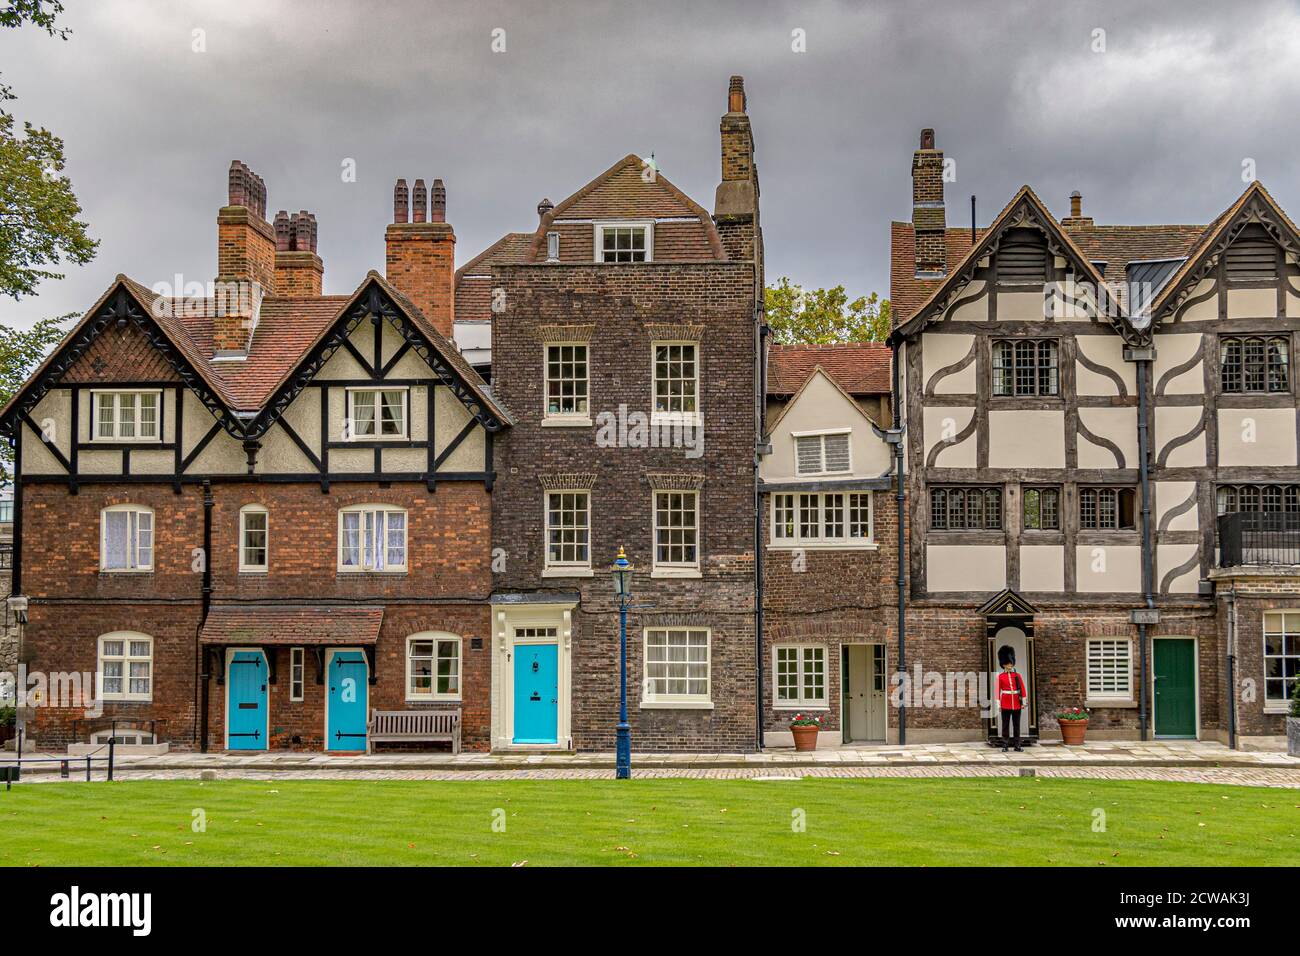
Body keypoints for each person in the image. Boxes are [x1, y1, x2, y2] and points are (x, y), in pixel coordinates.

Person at [996, 645, 1026, 752]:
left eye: (1010, 663)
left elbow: (1022, 689)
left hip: (1016, 703)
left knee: (1016, 726)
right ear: (1003, 665)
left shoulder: (1017, 675)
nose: (1010, 665)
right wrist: (998, 705)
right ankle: (1005, 745)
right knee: (1005, 726)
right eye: (1008, 663)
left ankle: (1017, 745)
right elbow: (997, 691)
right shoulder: (1000, 677)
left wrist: (1023, 702)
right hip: (1005, 703)